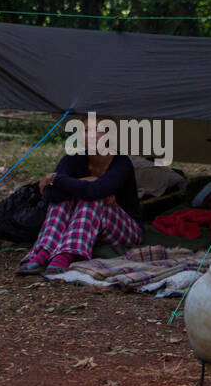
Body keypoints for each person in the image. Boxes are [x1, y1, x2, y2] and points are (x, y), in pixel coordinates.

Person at [16, 118, 142, 275]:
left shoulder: (121, 163)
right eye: (86, 131)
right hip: (87, 226)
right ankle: (44, 252)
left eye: (97, 130)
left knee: (93, 198)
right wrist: (86, 181)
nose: (91, 135)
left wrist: (57, 179)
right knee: (62, 200)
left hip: (125, 230)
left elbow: (93, 192)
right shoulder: (72, 160)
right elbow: (51, 194)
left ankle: (66, 254)